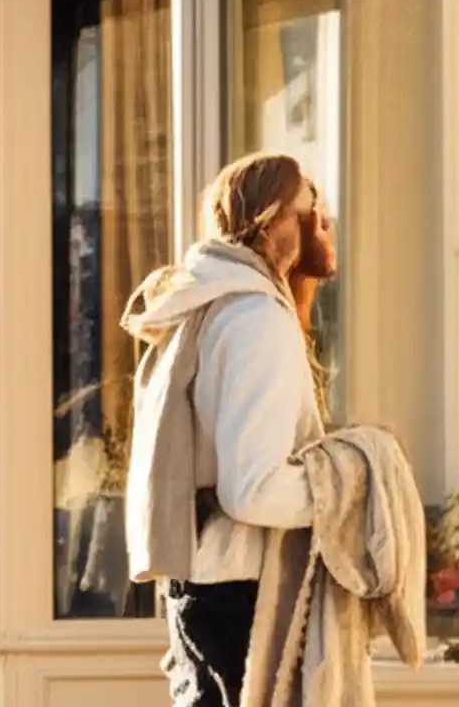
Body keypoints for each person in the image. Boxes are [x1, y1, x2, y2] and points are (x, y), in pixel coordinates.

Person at [119, 154, 337, 707]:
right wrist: (344, 493)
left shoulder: (211, 308)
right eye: (312, 210)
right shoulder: (256, 320)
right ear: (273, 226)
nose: (325, 224)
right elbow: (252, 488)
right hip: (242, 596)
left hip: (204, 584)